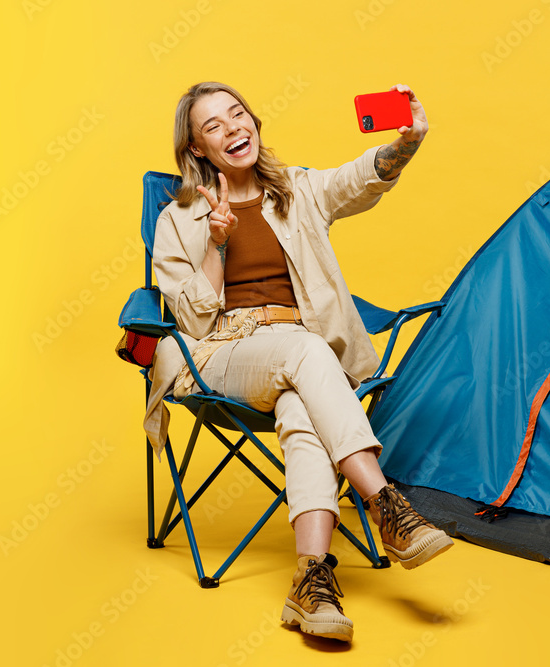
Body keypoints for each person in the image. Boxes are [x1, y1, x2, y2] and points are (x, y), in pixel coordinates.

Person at [144, 81, 453, 643]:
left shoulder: (295, 190)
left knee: (302, 407)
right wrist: (216, 244)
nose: (233, 128)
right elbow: (190, 323)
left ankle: (312, 581)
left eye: (239, 114)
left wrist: (407, 141)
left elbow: (356, 180)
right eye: (213, 125)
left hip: (294, 364)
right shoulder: (177, 220)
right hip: (217, 356)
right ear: (196, 150)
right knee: (309, 353)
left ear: (255, 122)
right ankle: (385, 504)